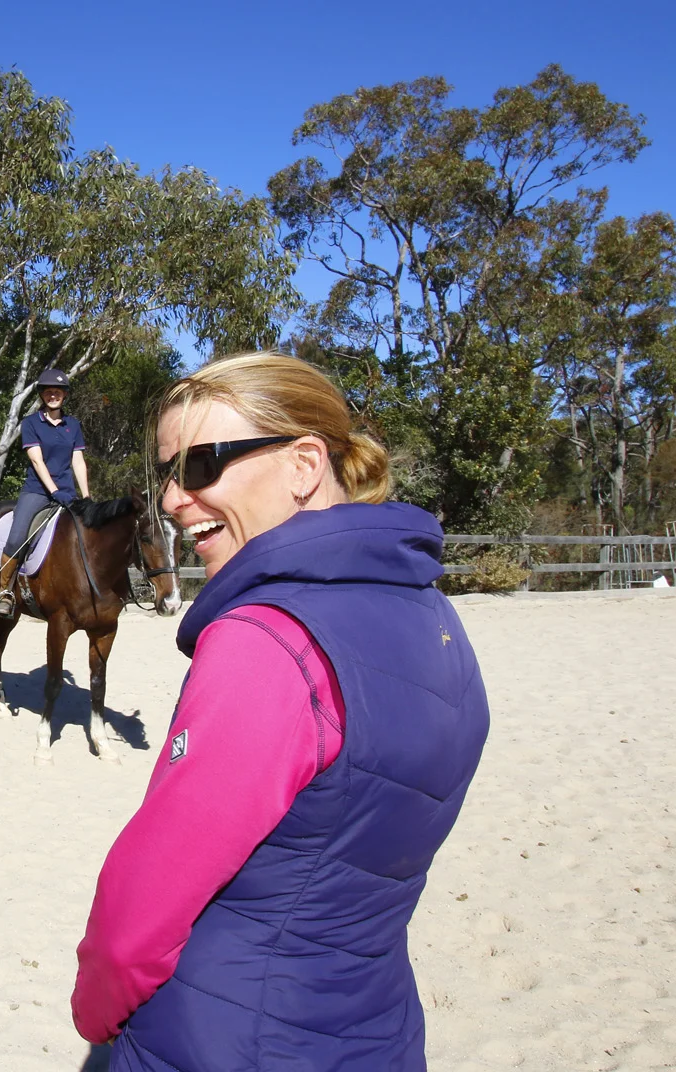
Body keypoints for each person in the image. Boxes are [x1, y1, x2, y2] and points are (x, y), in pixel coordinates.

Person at [71, 352, 490, 1071]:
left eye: (202, 464)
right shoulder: (437, 618)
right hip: (374, 1025)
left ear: (303, 464)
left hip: (224, 1036)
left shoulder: (262, 641)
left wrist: (95, 1015)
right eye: (168, 472)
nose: (173, 498)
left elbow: (140, 908)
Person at [0, 367, 89, 619]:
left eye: (57, 391)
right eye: (48, 391)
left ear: (64, 395)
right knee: (17, 536)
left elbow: (78, 462)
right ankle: (6, 592)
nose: (53, 395)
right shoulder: (32, 423)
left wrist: (86, 497)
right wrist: (54, 491)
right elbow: (37, 461)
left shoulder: (73, 425)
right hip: (37, 491)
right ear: (42, 395)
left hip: (68, 492)